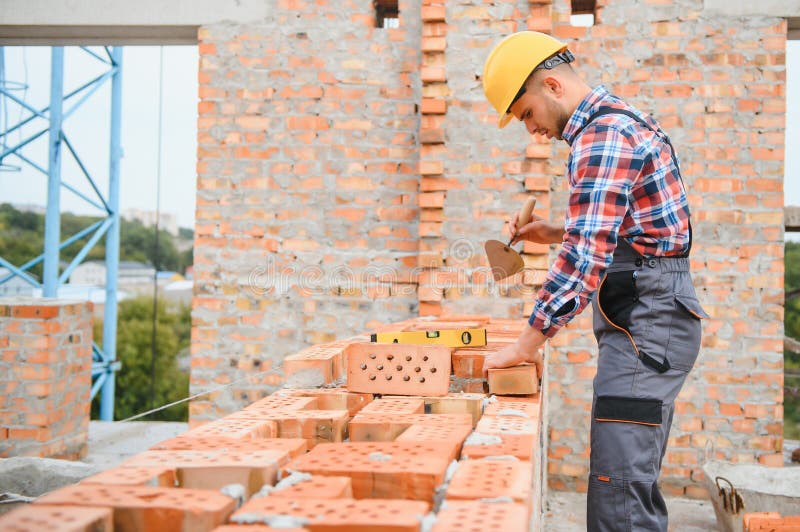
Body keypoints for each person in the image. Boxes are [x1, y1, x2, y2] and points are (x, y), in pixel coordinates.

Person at [479, 31, 709, 531]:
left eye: (526, 114)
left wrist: (527, 342)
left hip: (646, 325)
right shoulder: (617, 122)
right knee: (623, 482)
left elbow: (587, 254)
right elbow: (631, 223)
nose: (531, 130)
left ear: (552, 86)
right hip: (646, 318)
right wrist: (555, 229)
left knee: (620, 496)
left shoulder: (601, 136)